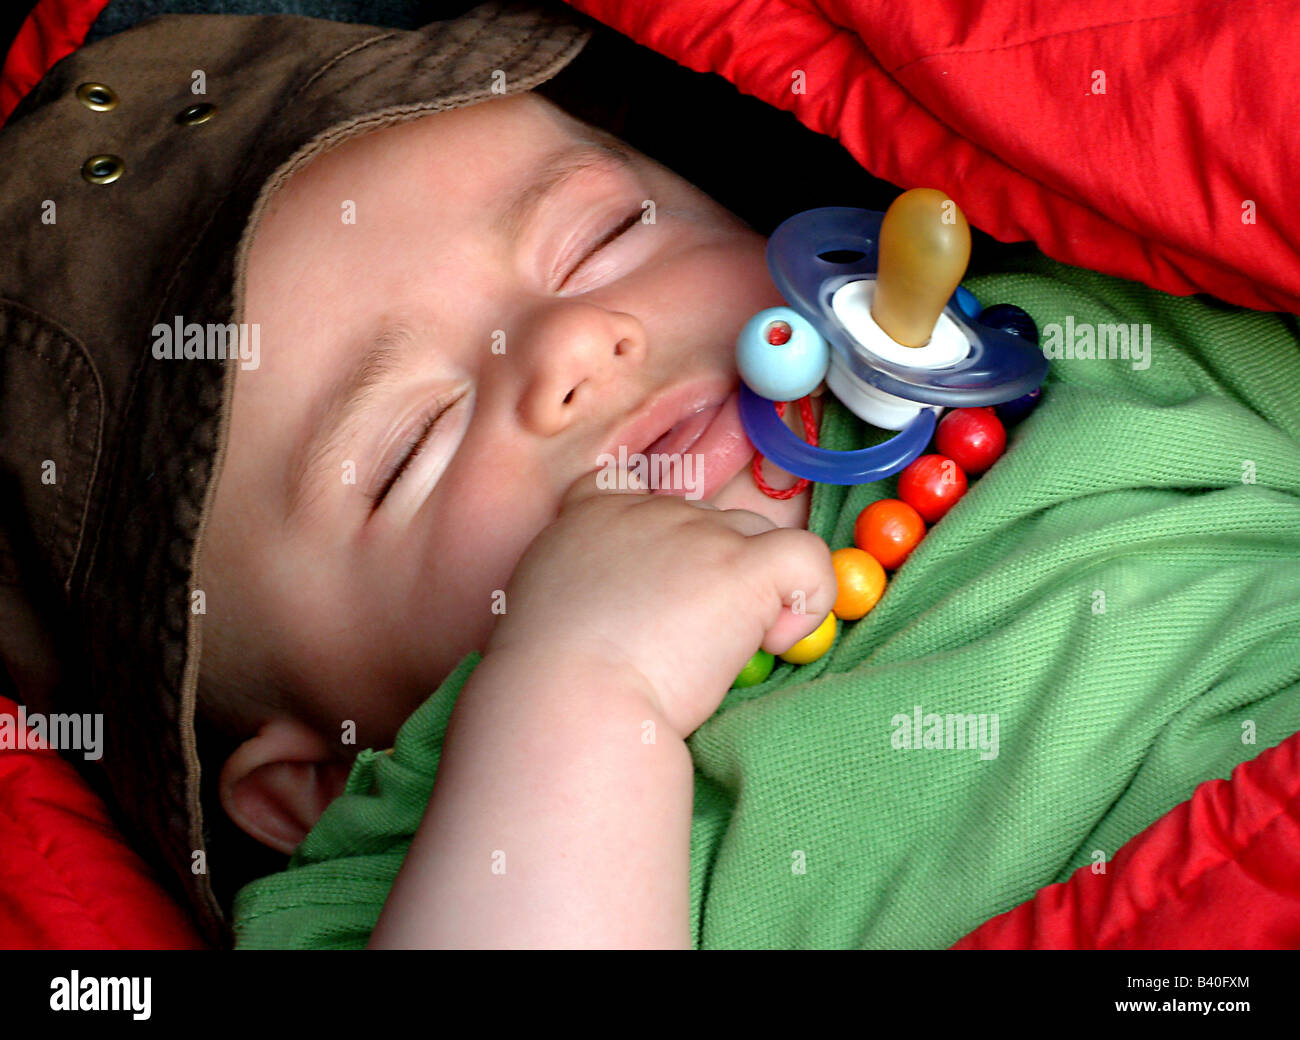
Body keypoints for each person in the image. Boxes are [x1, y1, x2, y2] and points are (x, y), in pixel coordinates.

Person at [3, 0, 1298, 950]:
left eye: (603, 234)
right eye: (411, 444)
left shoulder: (1063, 346)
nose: (574, 349)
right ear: (318, 779)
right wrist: (579, 698)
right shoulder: (412, 862)